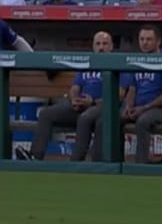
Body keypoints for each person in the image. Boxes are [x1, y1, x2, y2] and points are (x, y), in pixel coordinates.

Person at [28, 30, 112, 161]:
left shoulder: (116, 63)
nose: (101, 47)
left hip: (100, 108)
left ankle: (76, 161)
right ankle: (35, 156)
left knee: (86, 118)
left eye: (105, 44)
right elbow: (75, 87)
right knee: (46, 114)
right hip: (79, 106)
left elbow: (119, 95)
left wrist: (93, 102)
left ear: (111, 47)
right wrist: (74, 99)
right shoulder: (87, 63)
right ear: (93, 47)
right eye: (98, 44)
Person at [122, 24, 162, 164]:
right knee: (113, 118)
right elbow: (132, 89)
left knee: (143, 121)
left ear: (158, 41)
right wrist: (129, 106)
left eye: (149, 39)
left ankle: (141, 164)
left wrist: (144, 108)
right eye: (142, 39)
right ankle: (113, 161)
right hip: (139, 108)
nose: (145, 43)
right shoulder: (138, 61)